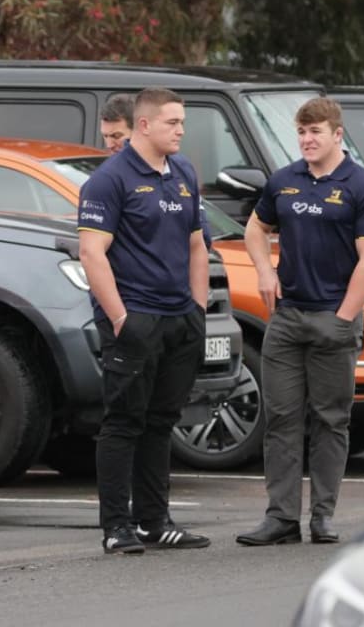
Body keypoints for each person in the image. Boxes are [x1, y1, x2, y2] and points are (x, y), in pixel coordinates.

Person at [237, 97, 364, 546]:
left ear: (337, 135)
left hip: (333, 321)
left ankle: (322, 516)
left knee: (330, 420)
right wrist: (265, 271)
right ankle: (281, 518)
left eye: (315, 132)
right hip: (286, 320)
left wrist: (344, 318)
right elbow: (254, 229)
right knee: (282, 419)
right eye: (301, 132)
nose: (306, 140)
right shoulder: (283, 181)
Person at [78, 87, 211, 554]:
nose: (180, 130)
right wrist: (120, 318)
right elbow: (92, 253)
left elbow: (198, 245)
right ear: (145, 125)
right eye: (172, 122)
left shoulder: (184, 171)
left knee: (161, 421)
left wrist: (197, 310)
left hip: (179, 319)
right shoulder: (108, 181)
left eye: (182, 123)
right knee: (123, 422)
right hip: (134, 320)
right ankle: (117, 526)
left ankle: (156, 521)